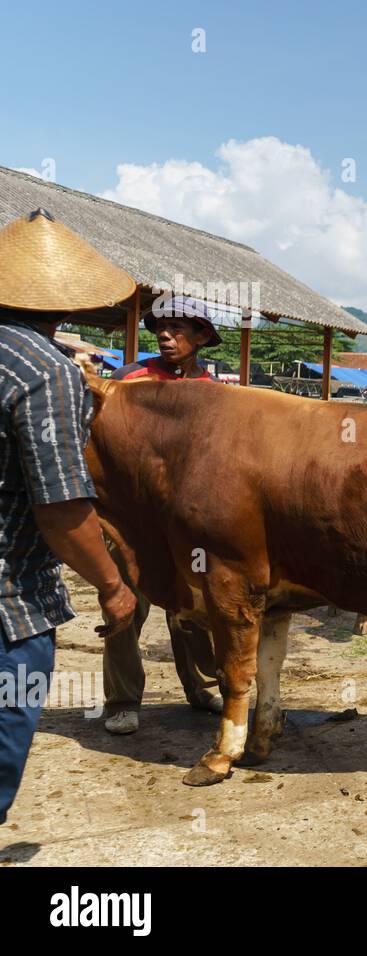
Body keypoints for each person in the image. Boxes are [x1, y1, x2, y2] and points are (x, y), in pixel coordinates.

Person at [0, 208, 138, 825]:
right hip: (10, 604)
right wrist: (112, 585)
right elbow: (59, 507)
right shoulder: (46, 370)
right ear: (68, 303)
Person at [101, 296, 226, 735]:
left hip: (188, 519)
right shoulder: (127, 380)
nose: (166, 335)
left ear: (204, 337)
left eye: (178, 329)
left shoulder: (215, 392)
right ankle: (122, 701)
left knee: (191, 605)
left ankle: (201, 688)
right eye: (162, 328)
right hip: (133, 517)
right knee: (125, 604)